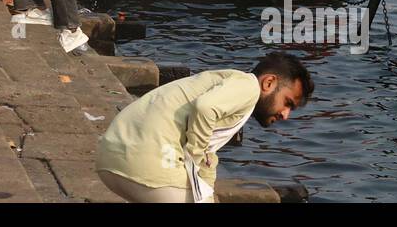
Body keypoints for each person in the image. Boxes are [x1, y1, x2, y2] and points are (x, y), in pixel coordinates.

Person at [95, 52, 313, 203]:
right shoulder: (247, 86)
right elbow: (205, 108)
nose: (286, 114)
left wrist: (204, 182)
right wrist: (195, 155)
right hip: (144, 166)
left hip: (110, 158)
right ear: (268, 83)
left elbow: (208, 155)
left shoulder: (221, 82)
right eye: (287, 103)